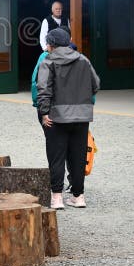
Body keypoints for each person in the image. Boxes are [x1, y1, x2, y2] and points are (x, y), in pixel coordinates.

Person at [36, 28, 100, 210]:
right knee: (78, 157)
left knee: (56, 157)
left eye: (48, 44)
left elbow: (43, 89)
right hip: (81, 116)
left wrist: (44, 112)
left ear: (51, 44)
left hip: (57, 117)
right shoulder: (83, 59)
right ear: (69, 41)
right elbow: (96, 84)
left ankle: (57, 198)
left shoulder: (48, 61)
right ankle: (78, 197)